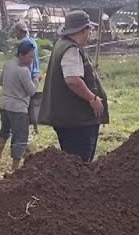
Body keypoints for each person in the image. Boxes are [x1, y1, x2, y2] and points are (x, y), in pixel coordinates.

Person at [37, 10, 107, 163]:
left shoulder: (62, 45)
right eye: (89, 29)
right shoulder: (71, 50)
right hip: (77, 121)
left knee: (72, 163)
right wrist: (92, 98)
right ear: (83, 30)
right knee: (80, 163)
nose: (90, 33)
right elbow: (72, 80)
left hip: (69, 119)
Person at [0, 40, 39, 170]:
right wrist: (36, 81)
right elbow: (31, 91)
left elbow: (0, 81)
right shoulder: (24, 71)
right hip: (18, 108)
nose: (32, 60)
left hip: (4, 105)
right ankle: (15, 167)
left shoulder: (8, 65)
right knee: (20, 136)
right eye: (30, 56)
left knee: (4, 131)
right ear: (21, 55)